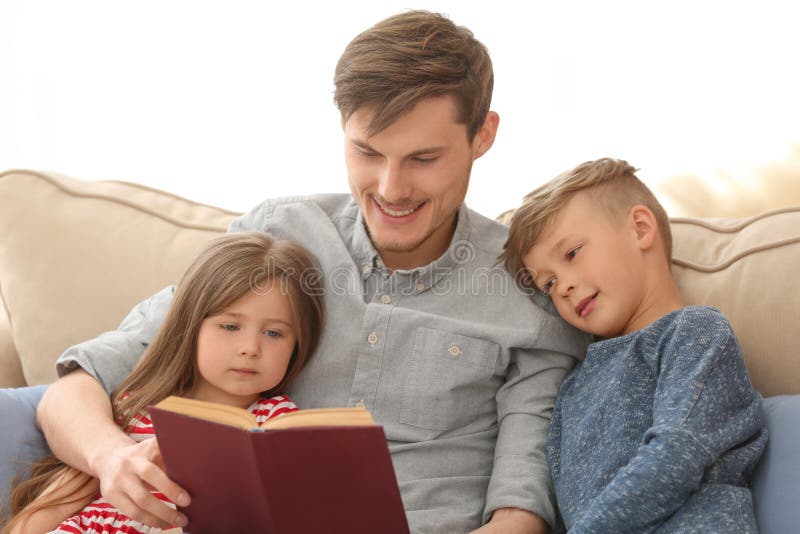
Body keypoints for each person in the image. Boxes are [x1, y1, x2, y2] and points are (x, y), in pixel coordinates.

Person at [4, 10, 588, 534]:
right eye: (368, 152)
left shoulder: (527, 279)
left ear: (482, 135)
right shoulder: (278, 239)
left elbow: (521, 509)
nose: (391, 189)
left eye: (423, 159)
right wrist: (112, 459)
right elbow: (78, 386)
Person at [499, 158, 768, 532]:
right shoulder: (574, 386)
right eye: (547, 284)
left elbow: (678, 453)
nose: (562, 287)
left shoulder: (695, 333)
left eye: (572, 253)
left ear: (640, 229)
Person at [2, 232, 324, 533]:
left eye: (273, 333)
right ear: (192, 325)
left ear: (298, 344)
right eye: (229, 326)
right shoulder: (141, 403)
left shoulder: (277, 425)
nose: (250, 349)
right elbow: (69, 491)